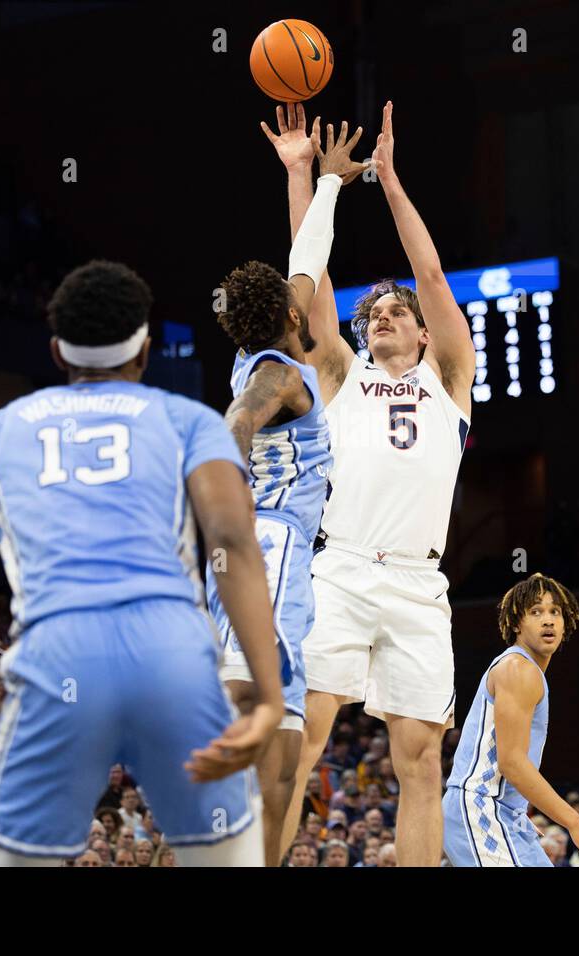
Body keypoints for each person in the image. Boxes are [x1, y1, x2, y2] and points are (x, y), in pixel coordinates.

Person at [0, 259, 284, 866]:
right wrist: (266, 696)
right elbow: (232, 539)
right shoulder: (187, 419)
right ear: (143, 349)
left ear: (57, 352)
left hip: (57, 664)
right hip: (175, 664)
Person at [281, 101, 478, 867]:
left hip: (419, 584)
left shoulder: (451, 378)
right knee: (303, 736)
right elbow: (310, 275)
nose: (386, 316)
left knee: (422, 763)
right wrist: (305, 174)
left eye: (399, 312)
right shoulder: (341, 374)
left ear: (427, 330)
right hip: (340, 568)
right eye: (376, 314)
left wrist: (390, 181)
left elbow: (429, 271)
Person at [202, 105, 362, 866]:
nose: (311, 305)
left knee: (287, 732)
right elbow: (237, 419)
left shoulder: (274, 344)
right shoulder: (273, 376)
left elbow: (309, 250)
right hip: (264, 540)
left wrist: (320, 180)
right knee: (249, 708)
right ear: (288, 318)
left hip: (285, 555)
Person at [442, 573, 579, 867]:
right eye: (536, 611)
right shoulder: (519, 670)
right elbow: (512, 762)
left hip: (504, 812)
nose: (548, 620)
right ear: (517, 623)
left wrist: (516, 808)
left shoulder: (525, 669)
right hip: (481, 805)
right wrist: (575, 822)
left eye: (554, 612)